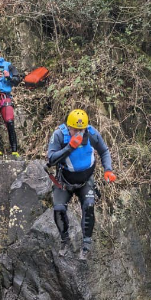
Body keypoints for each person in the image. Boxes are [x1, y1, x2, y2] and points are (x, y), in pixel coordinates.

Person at [46, 109, 116, 261]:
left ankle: (86, 245)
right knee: (58, 209)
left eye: (81, 130)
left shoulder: (91, 133)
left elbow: (104, 151)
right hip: (65, 180)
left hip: (85, 180)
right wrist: (69, 147)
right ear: (69, 127)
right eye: (75, 130)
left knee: (89, 206)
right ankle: (65, 240)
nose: (78, 133)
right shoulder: (59, 135)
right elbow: (51, 159)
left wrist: (108, 170)